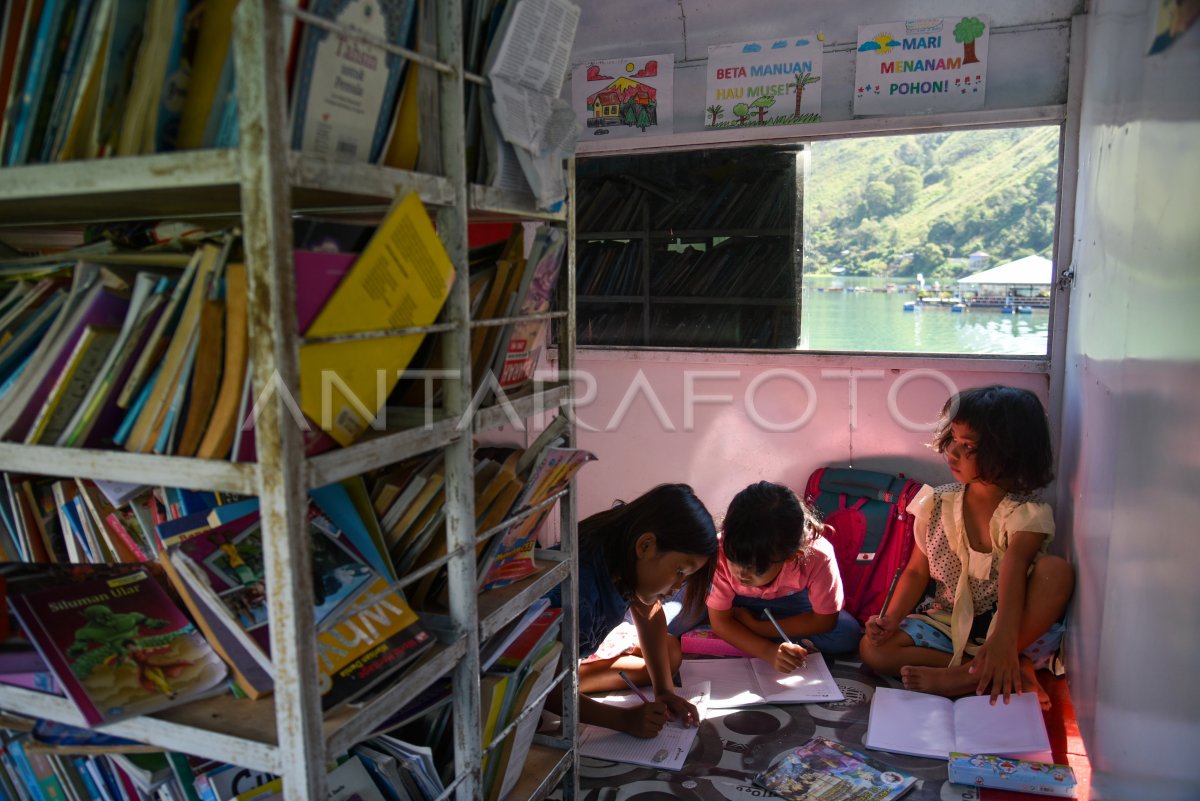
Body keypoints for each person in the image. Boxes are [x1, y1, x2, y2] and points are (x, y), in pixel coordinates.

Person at [859, 385, 1075, 706]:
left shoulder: (1025, 513)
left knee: (1056, 571)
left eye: (968, 446)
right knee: (871, 649)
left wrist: (1003, 641)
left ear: (1007, 451)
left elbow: (1013, 573)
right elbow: (917, 573)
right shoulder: (937, 503)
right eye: (953, 441)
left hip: (1014, 628)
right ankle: (999, 671)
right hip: (946, 623)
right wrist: (889, 619)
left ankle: (971, 674)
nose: (953, 453)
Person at [544, 483, 718, 737]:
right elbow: (544, 689)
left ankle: (578, 676)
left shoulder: (618, 549)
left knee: (668, 652)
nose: (677, 587)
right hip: (524, 687)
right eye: (679, 571)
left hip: (557, 667)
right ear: (645, 546)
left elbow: (649, 611)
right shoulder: (578, 596)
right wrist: (623, 720)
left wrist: (665, 690)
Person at [707, 481, 862, 673]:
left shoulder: (818, 555)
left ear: (791, 556)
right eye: (733, 560)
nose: (740, 574)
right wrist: (768, 652)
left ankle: (745, 630)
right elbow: (720, 622)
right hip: (736, 601)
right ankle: (748, 630)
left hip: (786, 601)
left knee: (846, 633)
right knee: (681, 619)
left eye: (757, 569)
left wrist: (756, 627)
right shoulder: (720, 548)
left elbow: (825, 620)